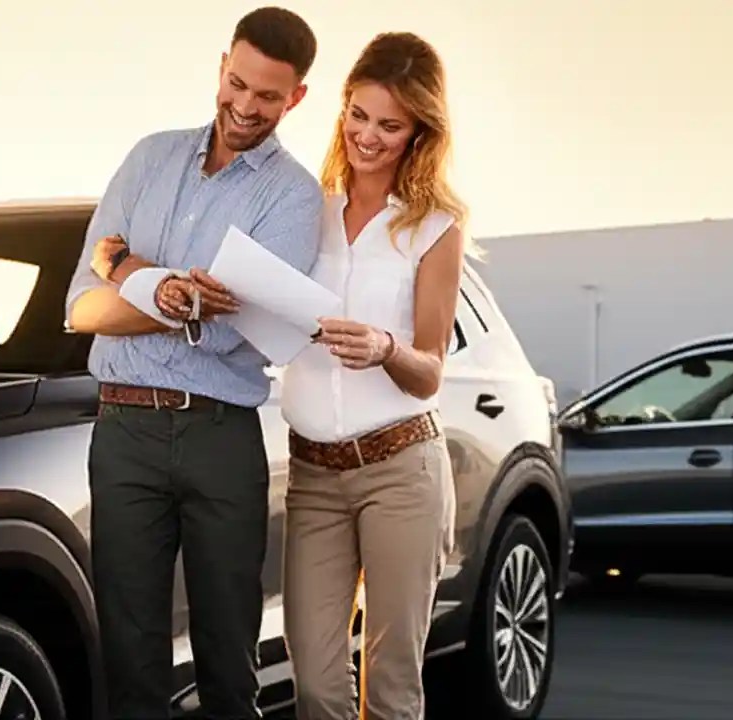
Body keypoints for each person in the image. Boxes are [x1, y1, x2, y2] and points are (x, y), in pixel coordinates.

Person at [64, 7, 322, 719]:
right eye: (236, 83)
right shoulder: (149, 158)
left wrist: (128, 266)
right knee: (130, 654)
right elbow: (80, 305)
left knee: (228, 660)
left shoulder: (294, 197)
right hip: (123, 434)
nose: (244, 106)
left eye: (267, 96)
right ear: (221, 67)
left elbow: (236, 320)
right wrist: (175, 291)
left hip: (220, 437)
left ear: (296, 96)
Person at [278, 31, 476, 720]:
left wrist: (386, 347)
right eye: (357, 115)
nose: (367, 135)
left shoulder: (434, 228)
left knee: (390, 689)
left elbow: (428, 373)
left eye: (390, 125)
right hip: (313, 478)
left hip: (401, 472)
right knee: (315, 683)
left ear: (420, 131)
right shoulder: (308, 212)